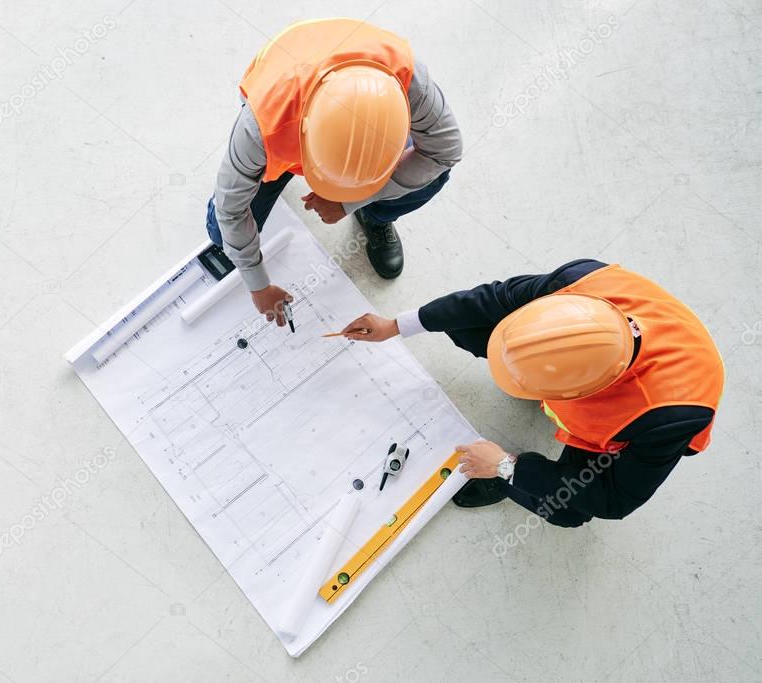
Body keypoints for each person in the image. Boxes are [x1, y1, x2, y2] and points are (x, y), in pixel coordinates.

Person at [338, 259, 724, 527]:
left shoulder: (670, 417)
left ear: (579, 394)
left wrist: (507, 466)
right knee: (467, 325)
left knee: (568, 510)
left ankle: (510, 480)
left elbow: (616, 499)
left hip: (625, 426)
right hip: (591, 355)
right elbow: (488, 299)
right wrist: (397, 325)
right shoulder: (579, 282)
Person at [207, 18, 462, 326]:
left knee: (433, 174)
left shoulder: (407, 77)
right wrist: (258, 284)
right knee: (223, 232)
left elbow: (445, 151)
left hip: (343, 90)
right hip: (281, 104)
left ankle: (376, 216)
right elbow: (231, 212)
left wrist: (351, 202)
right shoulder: (260, 128)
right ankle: (277, 170)